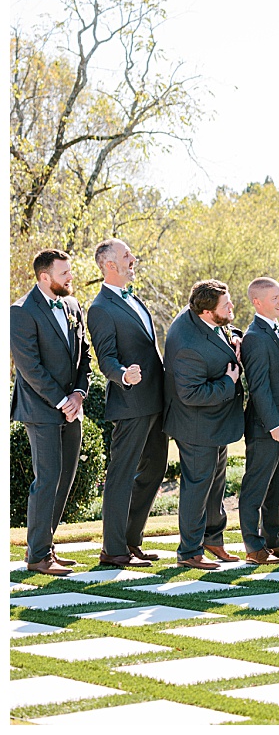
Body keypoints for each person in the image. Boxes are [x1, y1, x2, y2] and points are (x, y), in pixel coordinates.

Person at [12, 249, 92, 576]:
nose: (70, 278)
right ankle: (38, 557)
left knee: (64, 480)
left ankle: (45, 546)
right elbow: (30, 367)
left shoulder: (73, 305)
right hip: (41, 410)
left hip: (73, 407)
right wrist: (62, 401)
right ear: (45, 277)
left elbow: (84, 355)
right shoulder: (20, 311)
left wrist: (79, 393)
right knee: (46, 480)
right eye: (64, 274)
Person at [87, 239, 167, 568]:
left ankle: (132, 541)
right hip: (131, 402)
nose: (133, 258)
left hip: (156, 402)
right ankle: (113, 550)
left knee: (155, 470)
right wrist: (123, 375)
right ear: (109, 265)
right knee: (121, 475)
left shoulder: (135, 300)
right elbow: (105, 357)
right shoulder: (100, 308)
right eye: (126, 256)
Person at [163, 279, 245, 570]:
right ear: (208, 312)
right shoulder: (187, 344)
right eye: (227, 305)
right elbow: (191, 393)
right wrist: (228, 382)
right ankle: (189, 551)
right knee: (197, 487)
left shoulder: (204, 320)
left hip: (215, 423)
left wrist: (234, 339)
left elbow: (221, 334)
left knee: (215, 484)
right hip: (196, 426)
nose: (232, 307)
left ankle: (213, 539)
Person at [238, 277, 279, 566]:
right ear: (257, 302)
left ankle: (274, 541)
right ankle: (254, 547)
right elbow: (259, 387)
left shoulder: (277, 331)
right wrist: (275, 425)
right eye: (274, 298)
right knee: (256, 487)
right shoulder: (254, 337)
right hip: (266, 427)